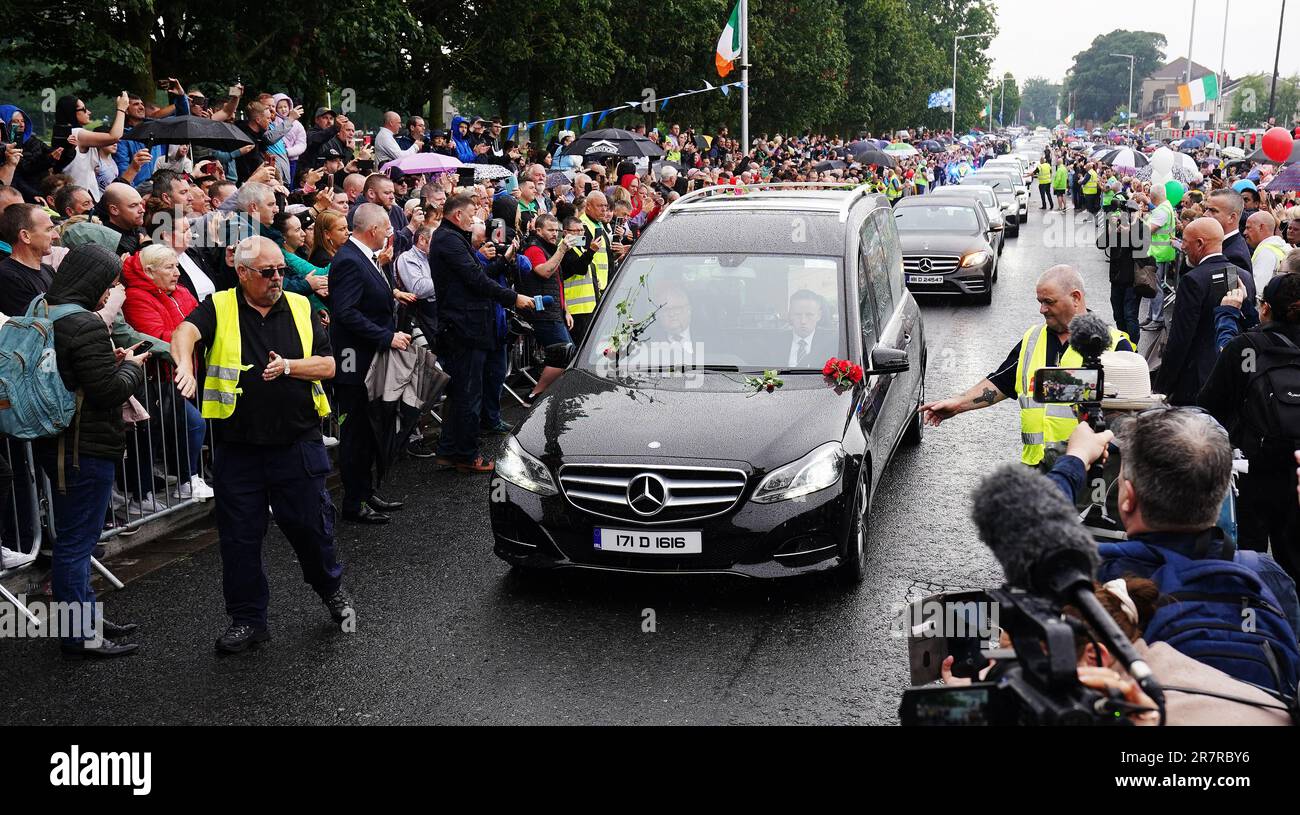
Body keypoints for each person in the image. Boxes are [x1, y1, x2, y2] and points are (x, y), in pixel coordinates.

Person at [171, 236, 350, 653]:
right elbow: (185, 331)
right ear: (242, 273)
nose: (276, 279)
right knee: (239, 539)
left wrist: (288, 366)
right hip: (239, 449)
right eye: (266, 272)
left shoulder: (302, 306)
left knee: (311, 528)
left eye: (281, 271)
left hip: (297, 443)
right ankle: (248, 620)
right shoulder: (220, 306)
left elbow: (328, 365)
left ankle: (331, 591)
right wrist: (184, 362)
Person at [1045, 411, 1300, 695]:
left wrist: (1076, 457)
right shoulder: (1265, 574)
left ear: (1128, 498)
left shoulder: (1098, 571)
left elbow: (1034, 529)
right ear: (1219, 498)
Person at [36, 244, 150, 657]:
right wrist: (131, 368)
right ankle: (79, 635)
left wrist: (111, 362)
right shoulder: (83, 323)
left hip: (60, 444)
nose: (111, 291)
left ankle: (86, 618)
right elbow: (106, 393)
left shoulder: (44, 310)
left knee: (75, 539)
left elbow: (77, 377)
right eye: (109, 282)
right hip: (84, 448)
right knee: (76, 544)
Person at [920, 265, 1132, 467]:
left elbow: (1131, 420)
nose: (1042, 309)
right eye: (1040, 302)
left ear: (1076, 298)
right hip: (1037, 468)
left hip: (1088, 472)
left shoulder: (1114, 345)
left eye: (1049, 302)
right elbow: (1003, 381)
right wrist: (958, 404)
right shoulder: (1033, 338)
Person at [1200, 273, 1300, 574]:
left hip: (1252, 471)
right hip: (1297, 473)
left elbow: (1208, 405)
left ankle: (1253, 617)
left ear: (1265, 308)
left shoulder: (1245, 348)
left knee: (1248, 561)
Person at [430, 193, 534, 472]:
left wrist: (504, 259)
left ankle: (449, 450)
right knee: (468, 393)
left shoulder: (454, 238)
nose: (478, 218)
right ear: (458, 216)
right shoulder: (449, 240)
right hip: (464, 328)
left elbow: (481, 274)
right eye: (473, 213)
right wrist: (513, 299)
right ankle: (466, 455)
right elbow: (476, 280)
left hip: (469, 325)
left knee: (462, 392)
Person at [328, 203, 408, 523]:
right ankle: (354, 502)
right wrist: (385, 337)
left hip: (372, 361)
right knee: (356, 435)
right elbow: (345, 313)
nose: (391, 232)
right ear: (373, 230)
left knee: (372, 432)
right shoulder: (348, 260)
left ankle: (367, 492)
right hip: (355, 365)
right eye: (387, 227)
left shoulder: (369, 258)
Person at [120, 244, 212, 501]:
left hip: (183, 375)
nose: (177, 273)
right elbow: (156, 337)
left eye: (177, 267)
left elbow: (203, 322)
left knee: (181, 429)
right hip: (155, 379)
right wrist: (192, 335)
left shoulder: (181, 292)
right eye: (169, 268)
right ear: (149, 271)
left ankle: (184, 481)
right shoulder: (137, 296)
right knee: (186, 427)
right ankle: (163, 488)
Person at [1156, 218, 1257, 406]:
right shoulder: (1245, 276)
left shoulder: (1193, 280)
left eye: (1185, 241)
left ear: (1200, 243)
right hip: (1234, 374)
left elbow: (1181, 337)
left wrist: (1162, 386)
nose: (1182, 247)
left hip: (1196, 381)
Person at [519, 214, 576, 400]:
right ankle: (536, 395)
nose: (555, 234)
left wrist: (565, 309)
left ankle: (549, 395)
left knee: (568, 353)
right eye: (550, 230)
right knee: (563, 353)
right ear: (538, 230)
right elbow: (544, 272)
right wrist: (561, 250)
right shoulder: (535, 248)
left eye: (556, 230)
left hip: (555, 311)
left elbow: (557, 282)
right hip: (542, 313)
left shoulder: (550, 248)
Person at [566, 192, 613, 344]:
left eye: (606, 206)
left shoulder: (598, 224)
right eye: (600, 206)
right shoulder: (583, 225)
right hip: (586, 294)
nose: (604, 210)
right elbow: (580, 258)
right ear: (588, 206)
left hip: (596, 289)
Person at [0, 203, 57, 316]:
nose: (56, 236)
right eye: (49, 229)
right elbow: (36, 324)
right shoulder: (6, 276)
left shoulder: (48, 270)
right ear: (25, 236)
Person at [773, 289, 837, 366]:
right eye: (797, 314)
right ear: (790, 315)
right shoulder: (775, 343)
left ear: (819, 316)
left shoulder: (832, 344)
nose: (803, 321)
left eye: (809, 315)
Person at [1205, 189, 1253, 272]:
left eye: (1213, 211)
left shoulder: (1235, 257)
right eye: (1206, 209)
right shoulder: (1222, 244)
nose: (1205, 214)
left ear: (1232, 217)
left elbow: (1232, 285)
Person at [1245, 210, 1289, 289]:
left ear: (1261, 227)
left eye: (1248, 228)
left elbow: (1258, 290)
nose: (1245, 232)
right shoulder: (1279, 247)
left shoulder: (1266, 253)